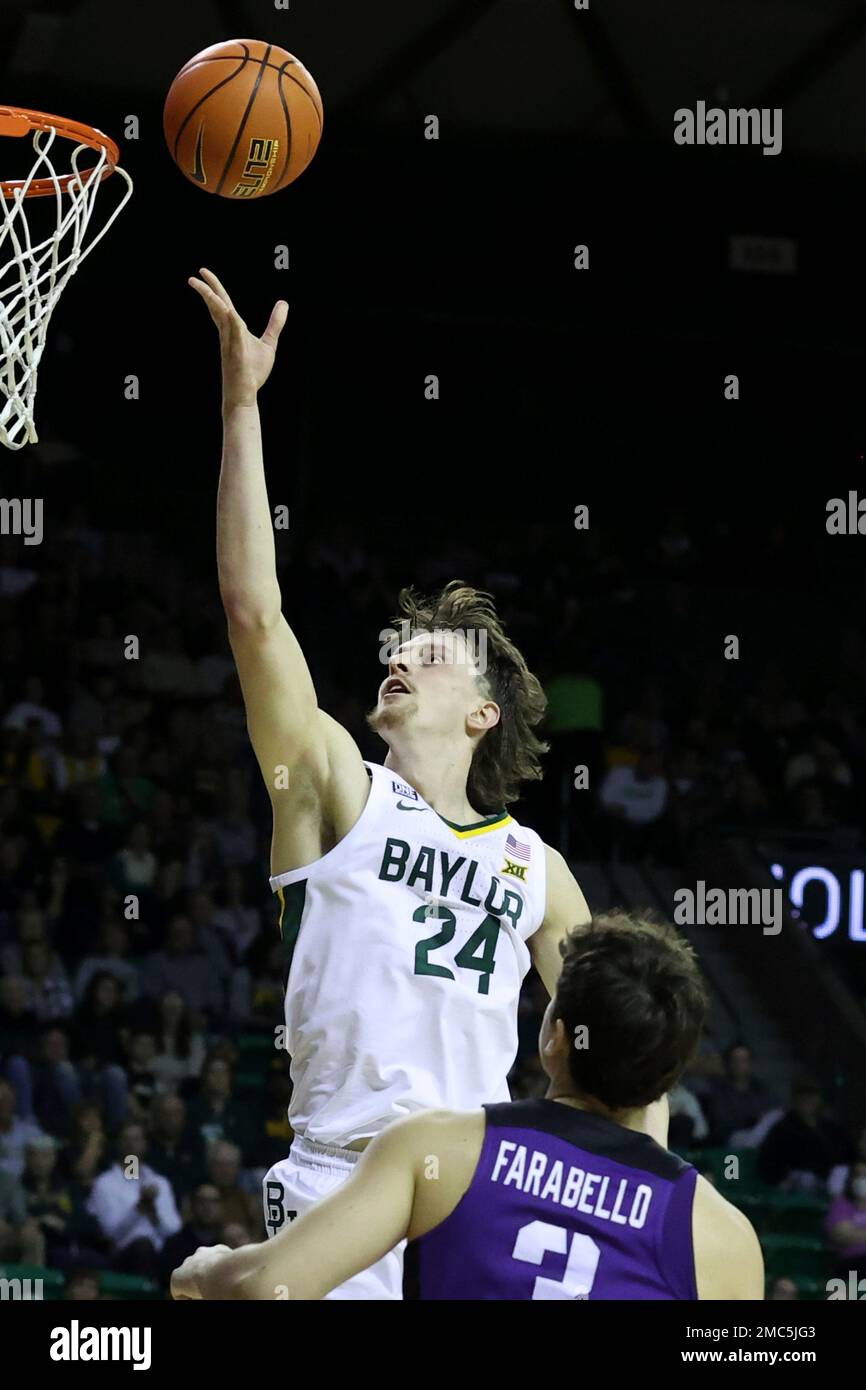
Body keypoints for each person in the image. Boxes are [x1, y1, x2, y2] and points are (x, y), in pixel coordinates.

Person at [185, 268, 591, 1299]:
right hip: (336, 1190)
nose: (399, 655)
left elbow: (618, 1046)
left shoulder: (536, 869)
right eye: (396, 644)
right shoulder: (333, 785)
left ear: (483, 710)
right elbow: (252, 614)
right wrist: (242, 404)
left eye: (432, 652)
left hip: (471, 1200)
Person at [171, 914, 763, 1301]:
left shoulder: (440, 1149)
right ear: (672, 1074)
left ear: (554, 1038)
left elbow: (268, 1287)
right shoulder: (720, 1236)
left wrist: (204, 1270)